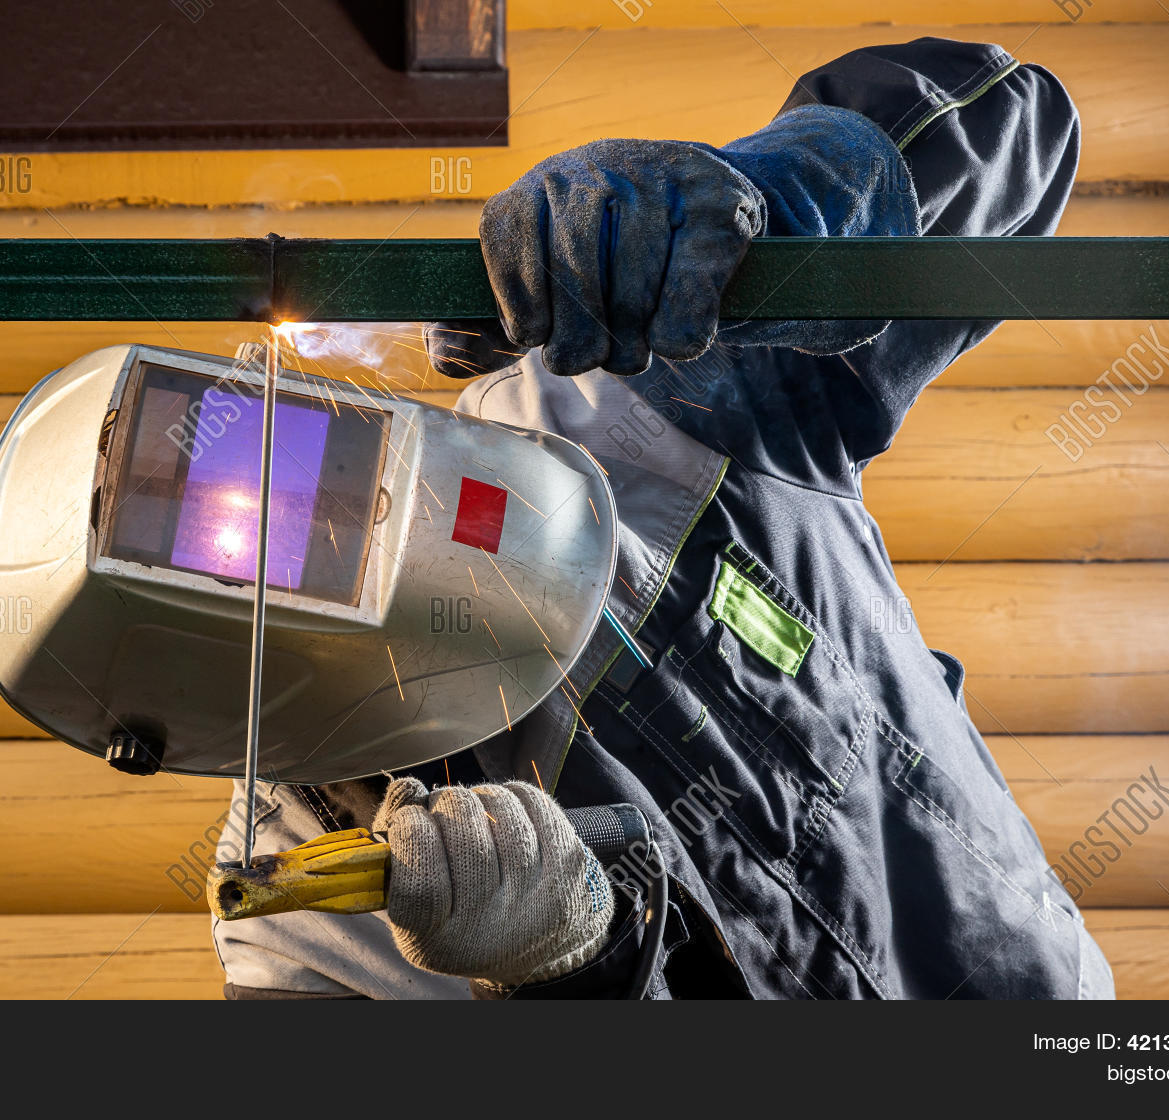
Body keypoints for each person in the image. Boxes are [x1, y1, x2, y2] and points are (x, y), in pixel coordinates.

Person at [213, 36, 1116, 999]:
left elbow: (1009, 122)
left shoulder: (620, 413)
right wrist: (579, 969)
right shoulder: (298, 920)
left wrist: (765, 213)